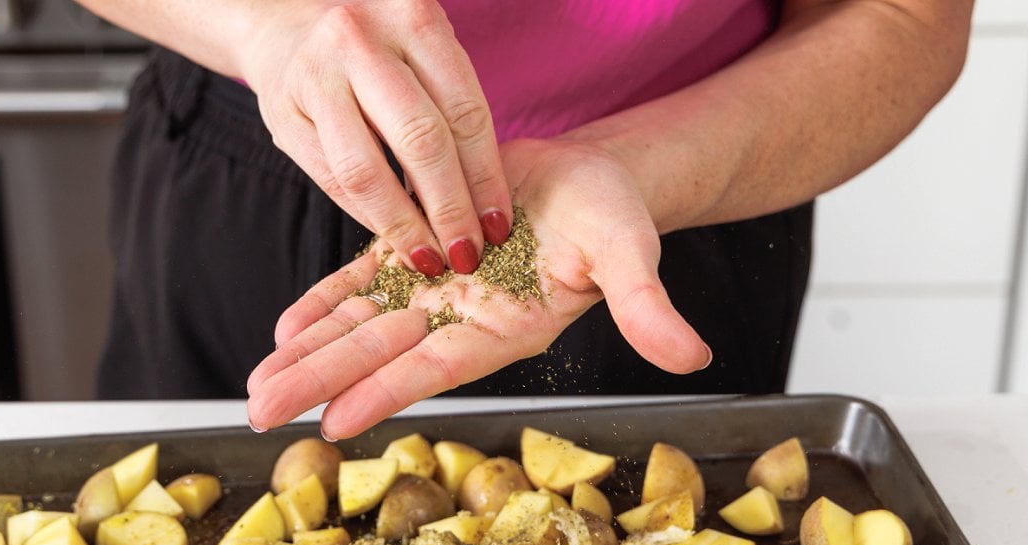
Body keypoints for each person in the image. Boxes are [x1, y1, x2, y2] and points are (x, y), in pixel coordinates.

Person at [79, 0, 972, 440]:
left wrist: (629, 165)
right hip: (252, 154)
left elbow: (904, 18)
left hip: (657, 196)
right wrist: (268, 25)